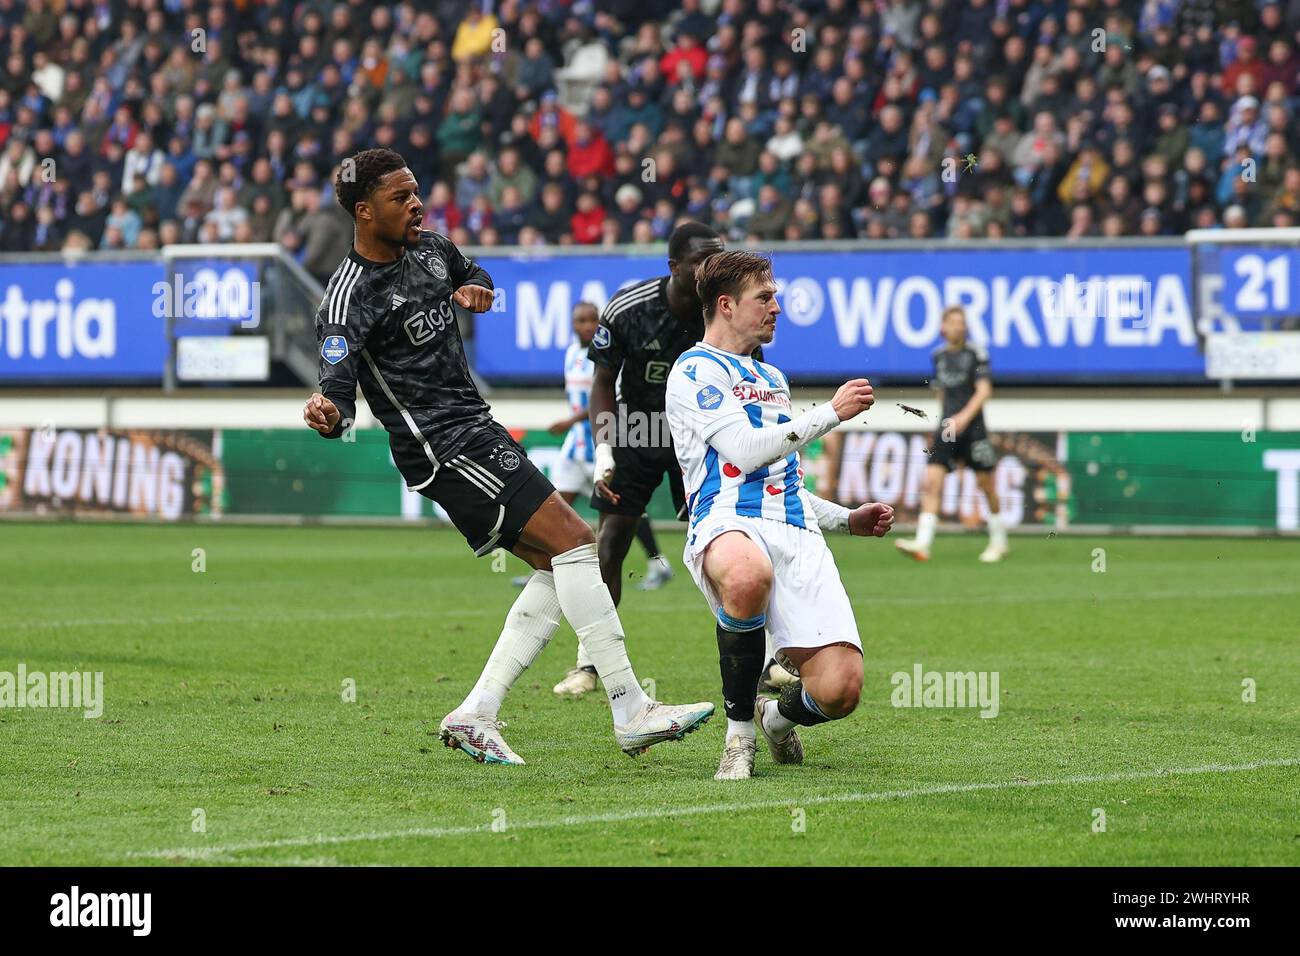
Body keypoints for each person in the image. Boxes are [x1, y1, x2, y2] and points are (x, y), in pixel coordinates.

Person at [302, 148, 713, 765]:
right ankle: (630, 708)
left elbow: (478, 275)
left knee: (559, 563)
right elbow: (336, 396)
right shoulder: (346, 298)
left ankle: (477, 712)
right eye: (399, 198)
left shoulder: (433, 250)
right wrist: (329, 415)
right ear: (363, 212)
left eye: (417, 192)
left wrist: (476, 290)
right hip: (440, 445)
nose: (416, 204)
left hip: (475, 427)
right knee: (577, 538)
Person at [664, 251, 896, 780]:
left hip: (795, 530)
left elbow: (781, 481)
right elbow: (744, 452)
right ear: (725, 306)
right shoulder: (694, 369)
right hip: (726, 520)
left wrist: (846, 520)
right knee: (747, 577)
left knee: (840, 691)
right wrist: (831, 413)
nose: (778, 307)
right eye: (764, 298)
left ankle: (775, 720)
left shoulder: (772, 377)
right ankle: (739, 736)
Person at [536, 300, 678, 698]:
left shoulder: (616, 350)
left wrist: (579, 425)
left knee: (624, 523)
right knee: (560, 515)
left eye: (589, 320)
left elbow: (609, 398)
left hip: (617, 443)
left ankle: (658, 563)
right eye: (578, 320)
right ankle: (551, 570)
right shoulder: (570, 356)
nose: (584, 326)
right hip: (582, 448)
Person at [895, 305, 1008, 563]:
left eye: (962, 322)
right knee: (933, 481)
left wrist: (964, 418)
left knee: (985, 483)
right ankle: (923, 543)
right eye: (953, 322)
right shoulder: (938, 356)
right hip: (947, 428)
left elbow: (984, 391)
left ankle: (999, 541)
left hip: (973, 427)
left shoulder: (976, 354)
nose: (959, 326)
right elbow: (943, 393)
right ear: (943, 328)